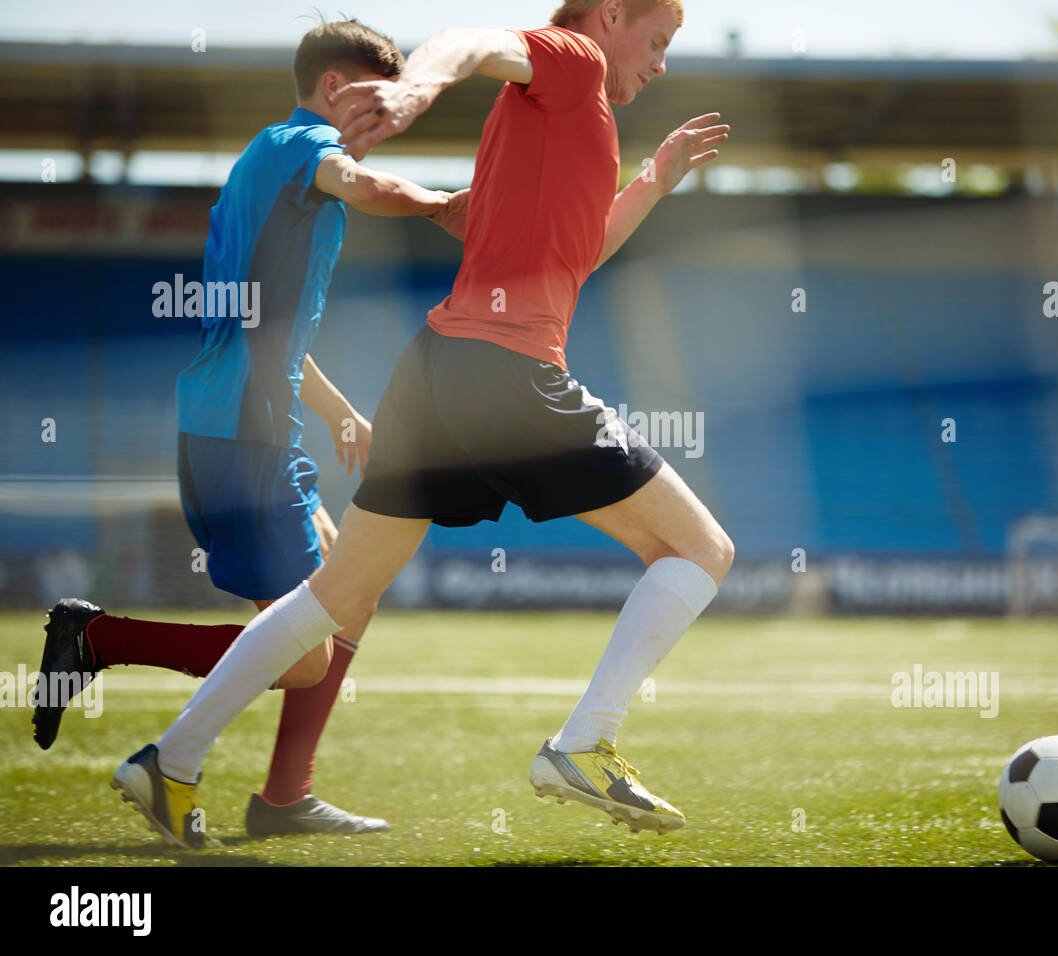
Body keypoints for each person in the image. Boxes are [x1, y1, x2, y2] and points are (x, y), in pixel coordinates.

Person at [114, 0, 733, 846]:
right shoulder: (575, 62)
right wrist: (413, 91)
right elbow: (473, 41)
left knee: (334, 594)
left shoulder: (563, 122)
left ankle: (170, 759)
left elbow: (580, 253)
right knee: (701, 550)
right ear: (612, 16)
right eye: (656, 43)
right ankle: (585, 743)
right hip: (506, 374)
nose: (659, 64)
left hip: (434, 369)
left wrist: (655, 178)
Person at [37, 17, 468, 847]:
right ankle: (102, 644)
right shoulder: (298, 143)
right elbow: (369, 187)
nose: (390, 124)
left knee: (351, 594)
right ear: (337, 90)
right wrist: (449, 206)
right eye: (382, 106)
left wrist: (340, 412)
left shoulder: (282, 185)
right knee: (308, 651)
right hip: (241, 439)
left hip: (256, 431)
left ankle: (284, 798)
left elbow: (273, 336)